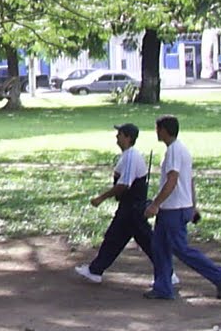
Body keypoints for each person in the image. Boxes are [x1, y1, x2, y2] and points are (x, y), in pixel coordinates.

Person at [143, 114, 221, 300]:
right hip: (177, 207)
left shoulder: (174, 151)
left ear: (164, 131)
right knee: (159, 247)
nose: (156, 132)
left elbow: (173, 180)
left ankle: (220, 275)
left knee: (180, 248)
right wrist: (193, 205)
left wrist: (155, 204)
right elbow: (189, 181)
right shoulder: (180, 150)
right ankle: (163, 287)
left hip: (173, 210)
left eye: (158, 129)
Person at [75, 122, 175, 287]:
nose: (117, 137)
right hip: (131, 207)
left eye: (120, 134)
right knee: (121, 240)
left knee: (138, 241)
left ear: (128, 138)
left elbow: (124, 184)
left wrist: (101, 198)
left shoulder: (130, 157)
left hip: (132, 208)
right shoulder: (129, 155)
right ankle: (95, 270)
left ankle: (168, 273)